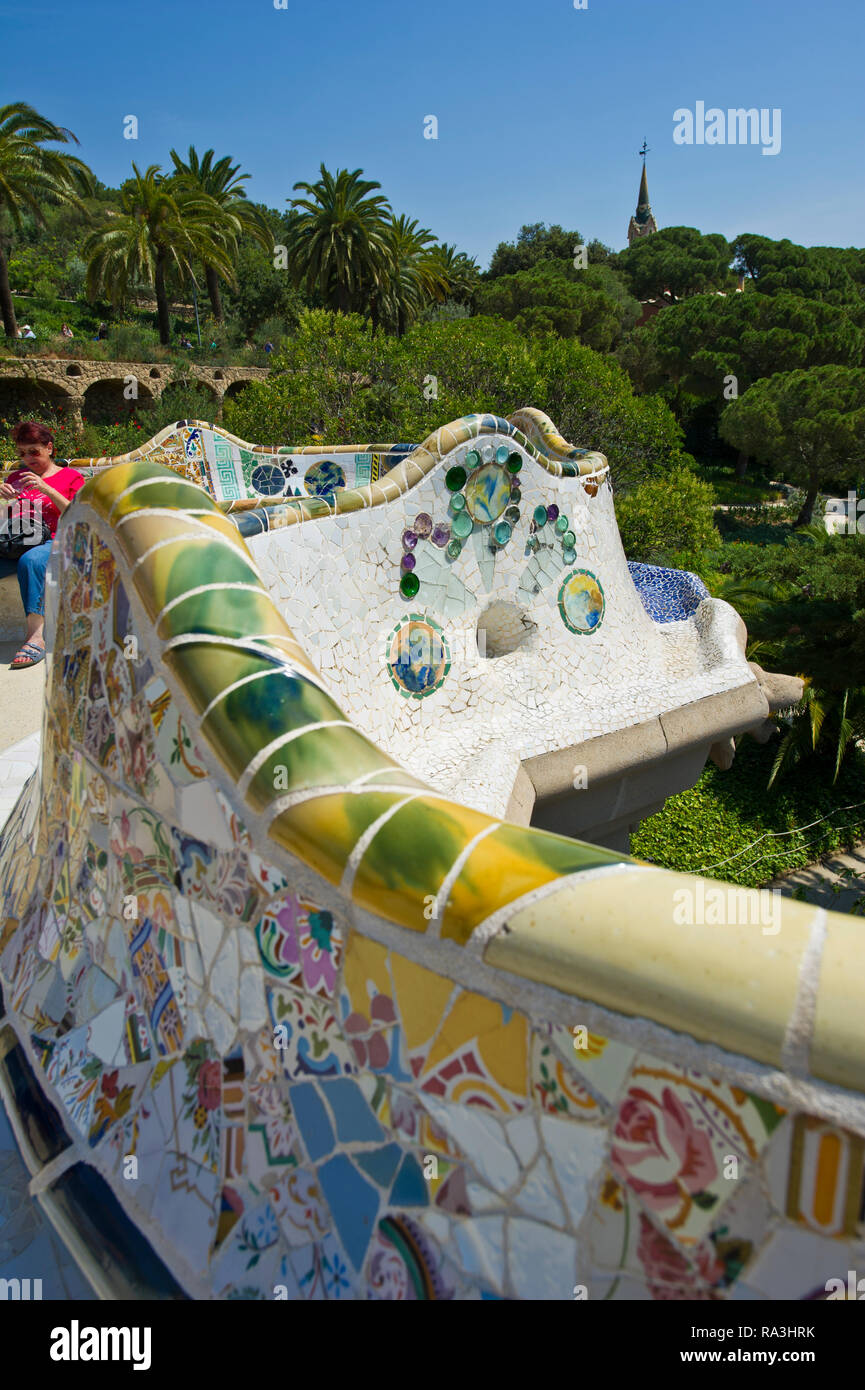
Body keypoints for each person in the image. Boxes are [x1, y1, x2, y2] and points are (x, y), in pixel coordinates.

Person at [0, 422, 85, 669]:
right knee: (26, 556)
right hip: (19, 540)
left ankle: (36, 635)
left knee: (32, 561)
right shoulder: (17, 477)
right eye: (22, 453)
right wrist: (4, 495)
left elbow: (79, 514)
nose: (27, 458)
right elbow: (9, 519)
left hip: (59, 539)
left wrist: (46, 489)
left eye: (34, 451)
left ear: (49, 448)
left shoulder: (71, 477)